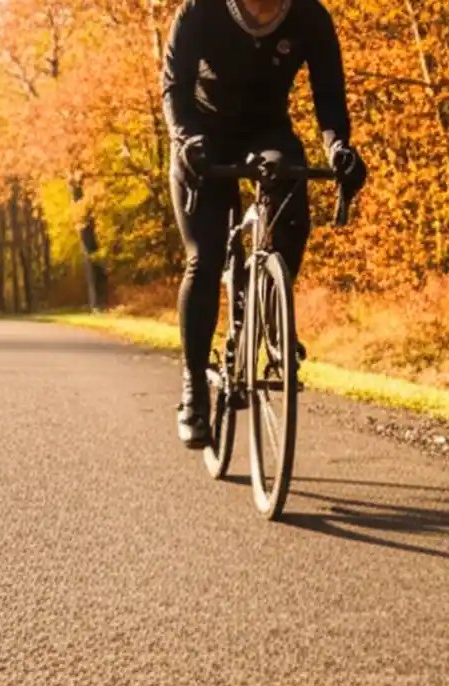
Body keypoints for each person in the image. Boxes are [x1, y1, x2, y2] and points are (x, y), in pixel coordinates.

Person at [162, 0, 368, 448]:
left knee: (292, 198)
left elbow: (329, 94)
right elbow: (174, 91)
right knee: (206, 256)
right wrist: (186, 140)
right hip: (202, 138)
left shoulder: (310, 16)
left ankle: (273, 315)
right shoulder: (199, 11)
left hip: (267, 135)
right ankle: (194, 389)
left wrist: (338, 148)